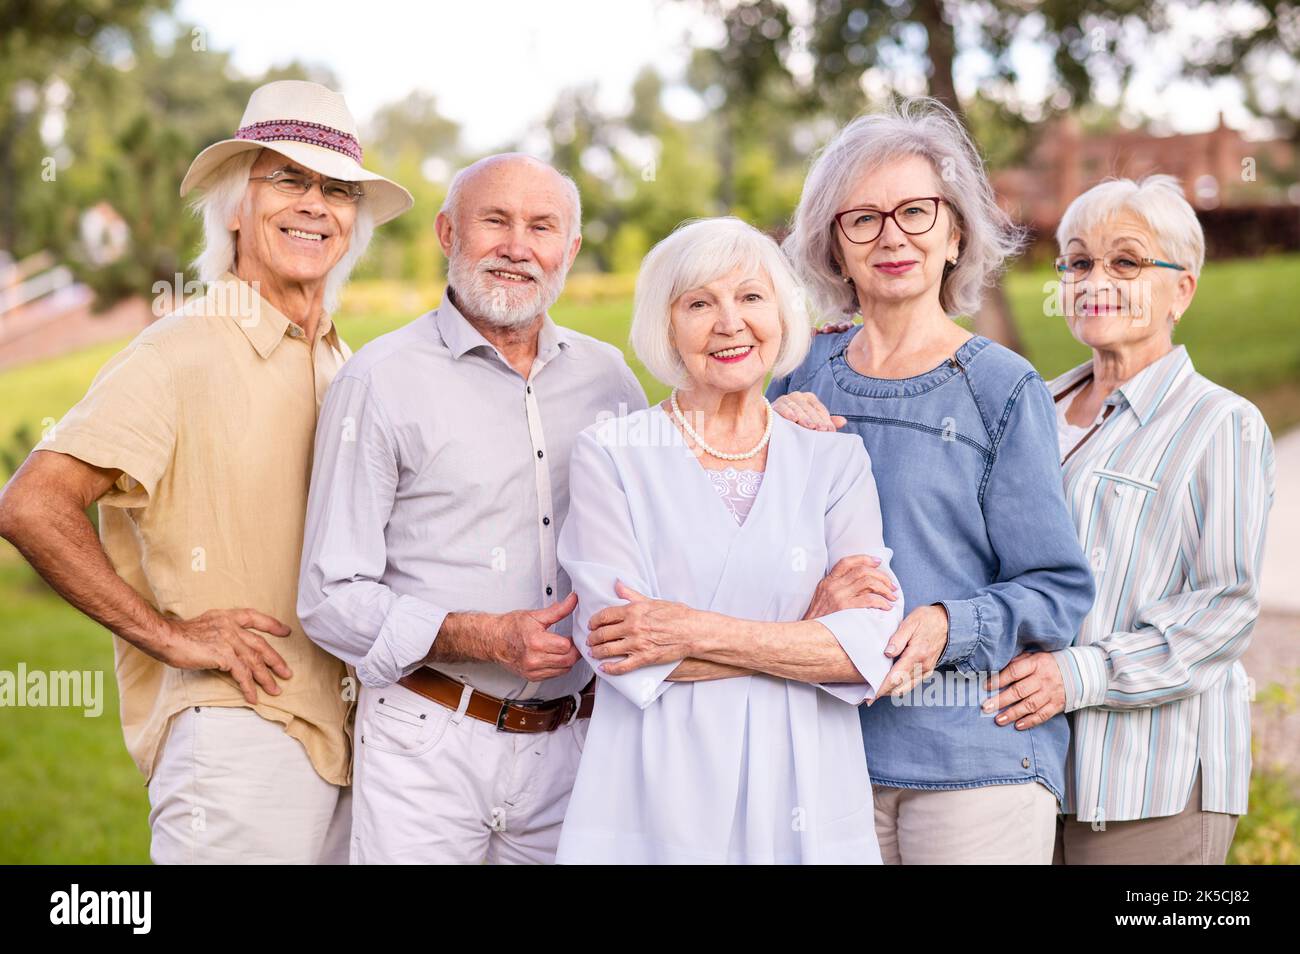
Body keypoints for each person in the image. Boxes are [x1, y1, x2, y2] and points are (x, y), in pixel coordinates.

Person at [0, 80, 412, 863]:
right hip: (236, 739)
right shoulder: (182, 349)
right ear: (233, 207)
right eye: (286, 178)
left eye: (336, 189)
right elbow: (32, 503)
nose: (315, 204)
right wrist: (170, 636)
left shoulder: (346, 362)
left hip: (355, 742)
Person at [767, 97, 1095, 863]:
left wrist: (953, 623)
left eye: (916, 211)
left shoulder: (1001, 388)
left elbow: (1056, 588)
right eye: (863, 219)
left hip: (972, 757)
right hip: (824, 751)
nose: (892, 236)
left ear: (955, 232)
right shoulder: (795, 375)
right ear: (834, 247)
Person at [296, 154, 648, 864]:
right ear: (447, 232)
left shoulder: (607, 377)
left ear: (570, 250)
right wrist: (480, 636)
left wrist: (786, 424)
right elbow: (328, 597)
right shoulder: (380, 381)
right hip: (427, 741)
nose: (518, 246)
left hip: (576, 748)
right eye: (496, 221)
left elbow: (670, 515)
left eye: (542, 226)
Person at [555, 217, 906, 864]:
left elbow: (866, 652)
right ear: (666, 328)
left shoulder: (834, 461)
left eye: (750, 296)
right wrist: (806, 632)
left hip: (804, 781)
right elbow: (619, 650)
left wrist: (687, 632)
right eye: (698, 303)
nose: (729, 322)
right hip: (657, 791)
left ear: (782, 313)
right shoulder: (613, 455)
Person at [983, 174, 1275, 864]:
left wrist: (1078, 674)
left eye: (1126, 261)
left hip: (1154, 785)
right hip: (1026, 770)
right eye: (1078, 262)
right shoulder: (1029, 409)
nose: (1094, 279)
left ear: (1183, 289)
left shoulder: (1221, 424)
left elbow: (1223, 609)